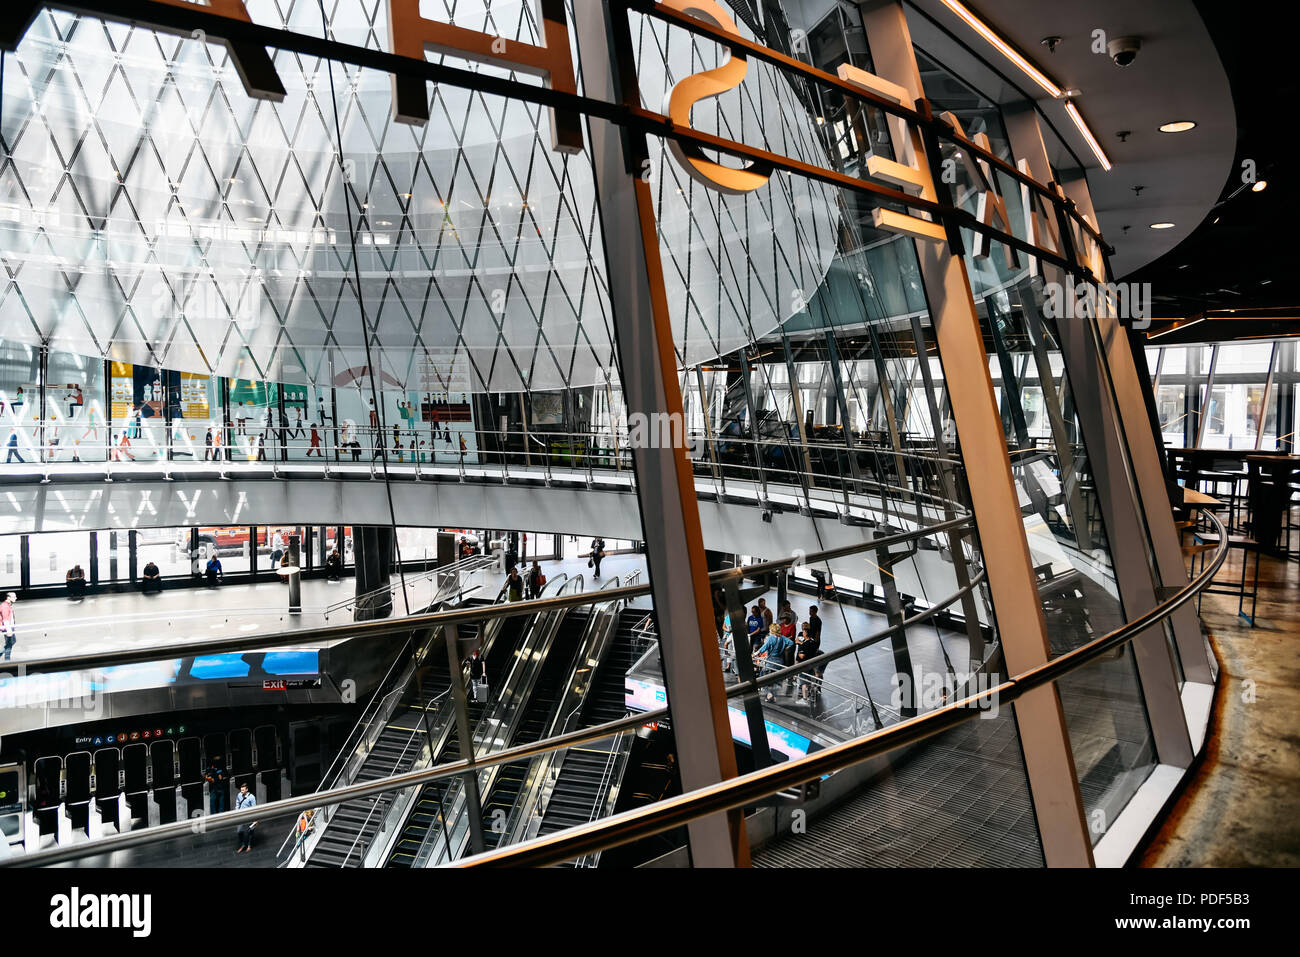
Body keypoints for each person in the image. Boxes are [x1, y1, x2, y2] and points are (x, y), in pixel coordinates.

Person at [753, 623, 794, 701]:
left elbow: (764, 647)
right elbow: (791, 643)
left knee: (763, 677)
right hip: (780, 661)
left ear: (772, 630)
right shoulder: (782, 638)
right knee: (775, 680)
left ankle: (769, 695)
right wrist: (785, 648)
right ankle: (773, 697)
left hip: (771, 661)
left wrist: (755, 654)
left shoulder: (771, 638)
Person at [795, 620, 821, 701]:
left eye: (804, 632)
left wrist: (799, 653)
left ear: (806, 634)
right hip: (811, 664)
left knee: (803, 682)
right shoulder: (813, 643)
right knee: (809, 680)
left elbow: (802, 656)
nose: (803, 632)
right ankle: (810, 696)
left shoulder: (804, 645)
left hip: (804, 664)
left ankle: (804, 698)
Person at [234, 782, 257, 853]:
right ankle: (243, 844)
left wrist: (255, 820)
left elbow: (254, 808)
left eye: (243, 790)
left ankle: (249, 845)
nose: (241, 792)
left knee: (250, 831)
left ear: (247, 790)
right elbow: (237, 804)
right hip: (241, 816)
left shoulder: (252, 797)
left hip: (250, 816)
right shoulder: (239, 795)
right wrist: (237, 812)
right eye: (241, 790)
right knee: (239, 831)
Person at [0, 592, 14, 661]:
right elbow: (5, 619)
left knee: (12, 641)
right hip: (7, 628)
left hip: (9, 627)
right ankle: (7, 659)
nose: (16, 598)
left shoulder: (8, 605)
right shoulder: (5, 606)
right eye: (14, 597)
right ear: (8, 597)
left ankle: (4, 656)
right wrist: (8, 629)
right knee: (9, 643)